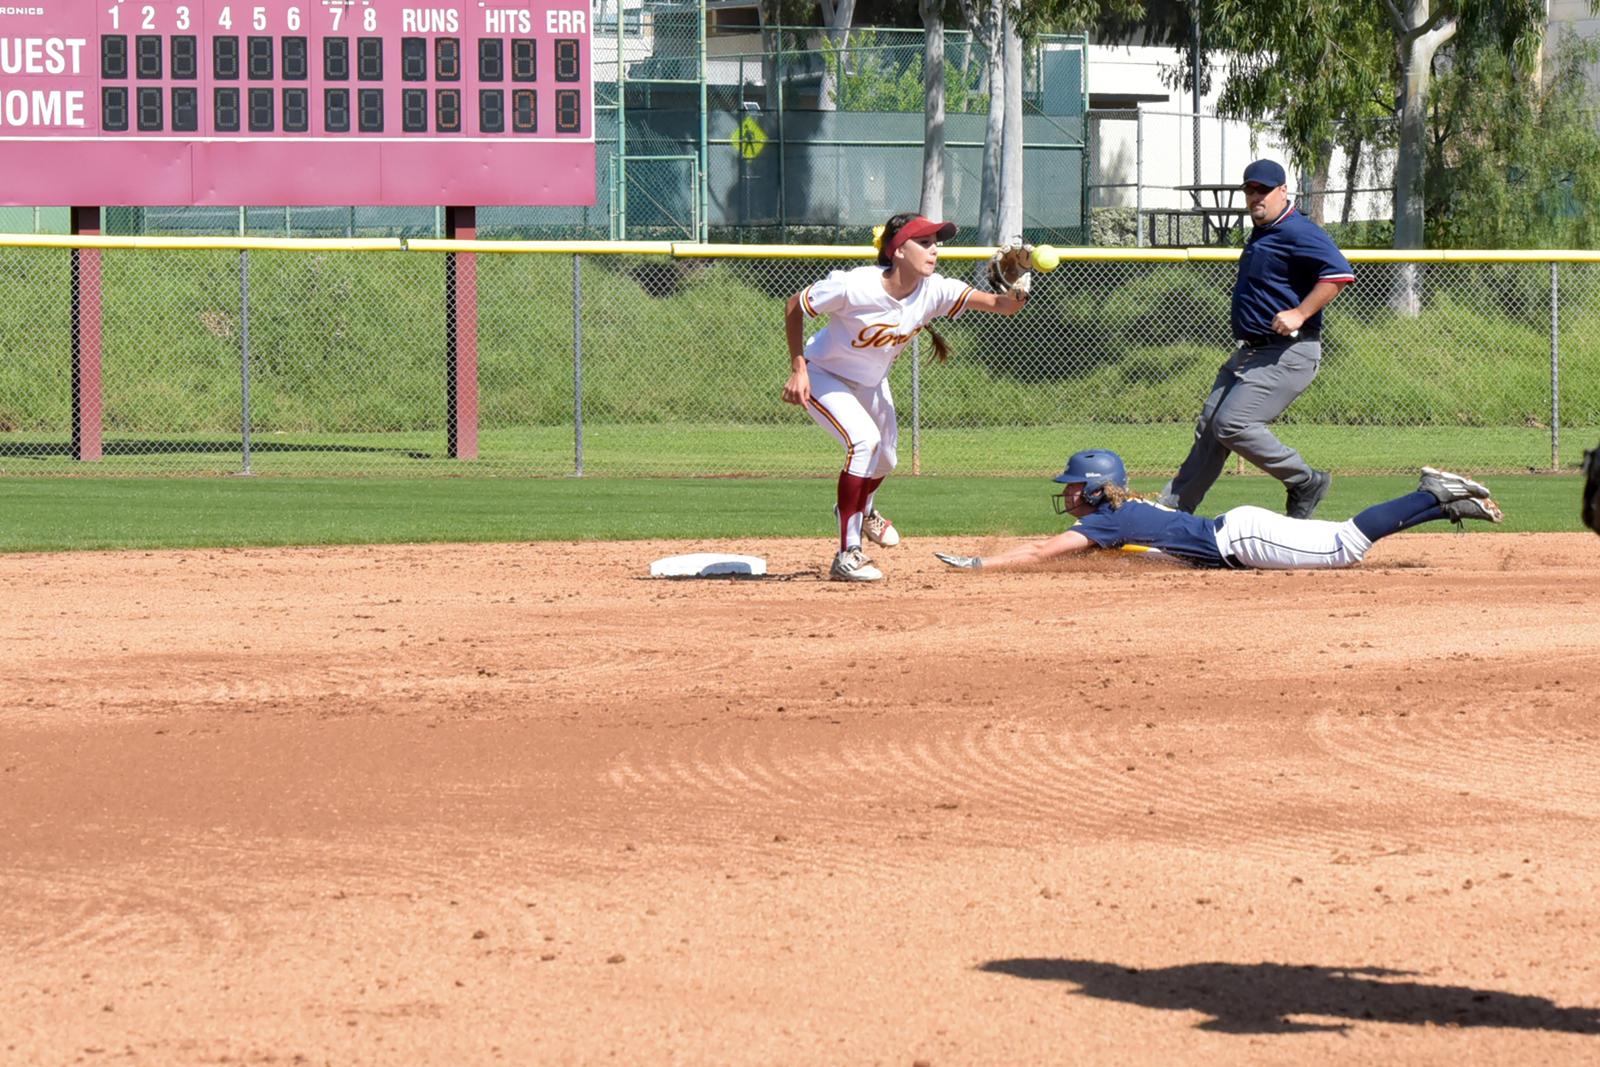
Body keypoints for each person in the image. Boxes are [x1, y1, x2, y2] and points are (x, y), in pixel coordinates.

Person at [783, 212, 1029, 582]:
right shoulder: (854, 287)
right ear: (898, 251)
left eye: (936, 243)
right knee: (863, 442)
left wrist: (1020, 289)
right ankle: (847, 554)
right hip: (824, 374)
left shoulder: (936, 290)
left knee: (886, 459)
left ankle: (858, 509)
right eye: (925, 243)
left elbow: (1002, 306)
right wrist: (799, 368)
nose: (934, 251)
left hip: (871, 383)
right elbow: (795, 305)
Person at [934, 449, 1503, 573]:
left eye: (1074, 486)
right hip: (1239, 530)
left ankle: (1431, 493)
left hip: (1242, 540)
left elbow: (1039, 550)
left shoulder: (1104, 519)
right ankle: (1446, 504)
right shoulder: (1121, 509)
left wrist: (983, 565)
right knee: (1338, 540)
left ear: (1094, 487)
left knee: (1345, 546)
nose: (1068, 495)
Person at [1164, 159, 1356, 521]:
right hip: (1251, 353)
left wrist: (1300, 312)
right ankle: (1173, 510)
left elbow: (1339, 273)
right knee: (1210, 427)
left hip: (1288, 353)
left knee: (1231, 425)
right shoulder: (1263, 232)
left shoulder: (1298, 231)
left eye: (1263, 190)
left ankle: (1305, 481)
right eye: (1250, 190)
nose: (1255, 197)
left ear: (1283, 191)